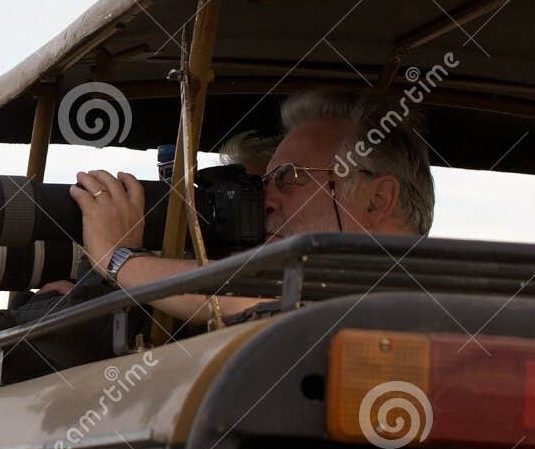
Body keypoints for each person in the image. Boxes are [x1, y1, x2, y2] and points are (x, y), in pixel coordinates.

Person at [66, 87, 435, 324]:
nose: (267, 201)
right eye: (264, 183)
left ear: (377, 199)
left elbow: (247, 299)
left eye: (290, 178)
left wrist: (118, 257)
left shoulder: (417, 296)